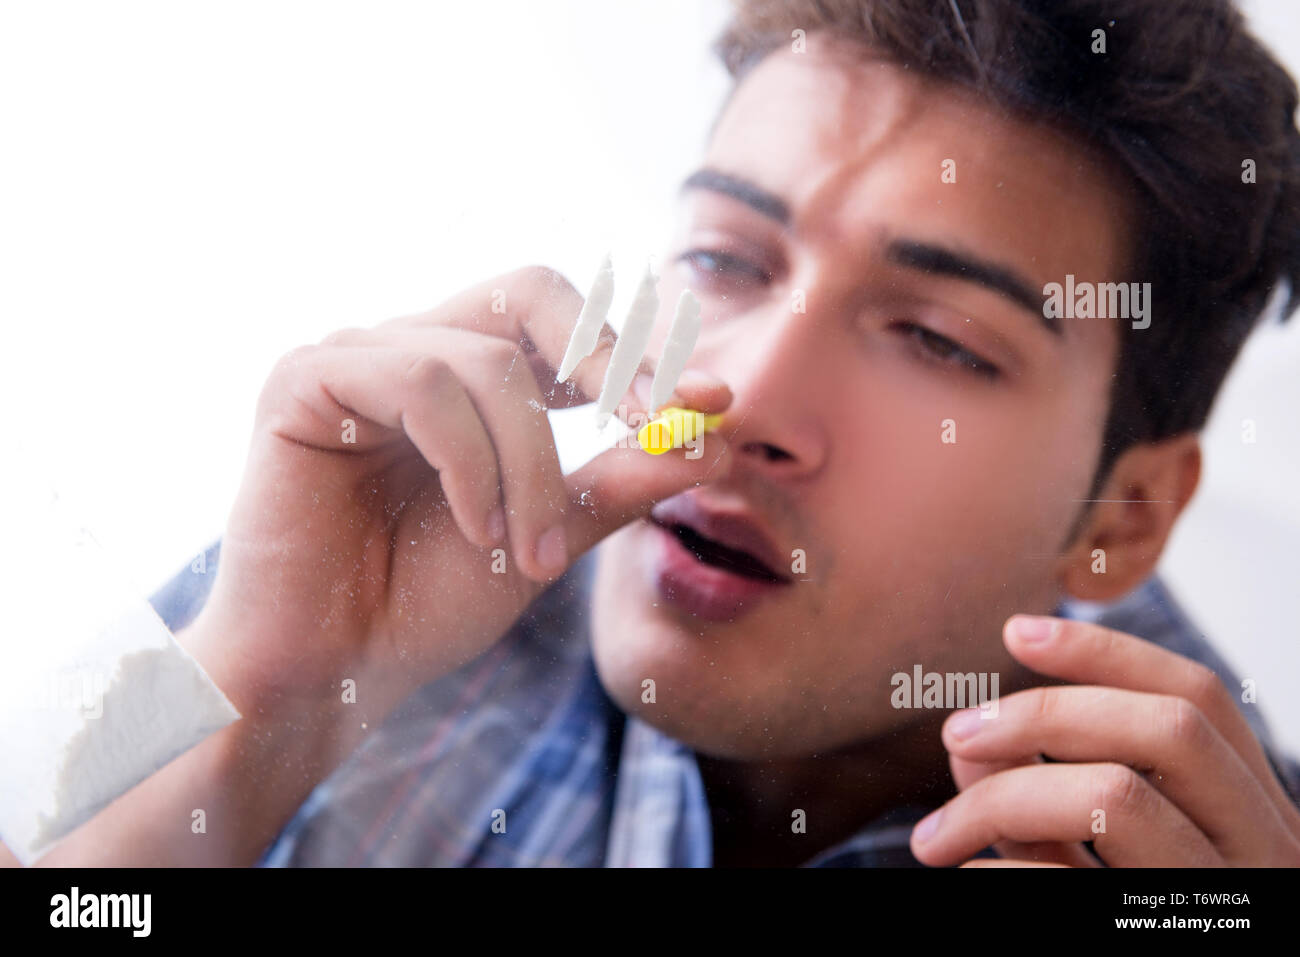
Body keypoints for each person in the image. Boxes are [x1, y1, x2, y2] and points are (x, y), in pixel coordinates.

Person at [20, 0, 1300, 867]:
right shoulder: (359, 558)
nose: (742, 399)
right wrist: (264, 699)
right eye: (726, 259)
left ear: (1123, 515)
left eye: (938, 342)